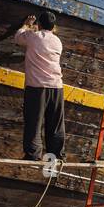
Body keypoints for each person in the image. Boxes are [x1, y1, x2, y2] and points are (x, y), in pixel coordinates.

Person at [15, 10, 65, 161]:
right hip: (57, 87)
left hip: (37, 87)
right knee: (55, 124)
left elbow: (18, 38)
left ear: (39, 24)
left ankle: (33, 155)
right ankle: (55, 157)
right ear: (53, 27)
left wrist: (26, 25)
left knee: (34, 122)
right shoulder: (57, 41)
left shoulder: (33, 36)